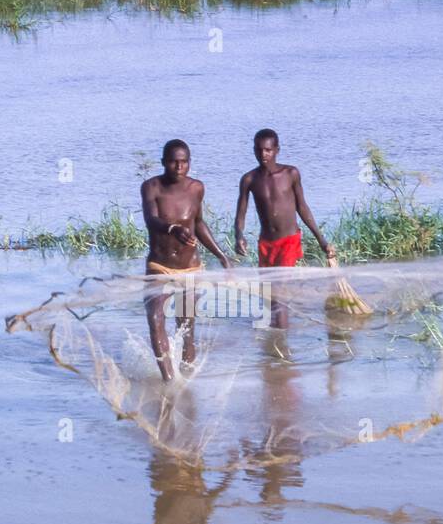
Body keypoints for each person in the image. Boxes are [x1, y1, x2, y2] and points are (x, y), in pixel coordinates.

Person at [140, 139, 232, 381]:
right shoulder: (151, 187)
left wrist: (221, 255)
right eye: (173, 162)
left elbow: (198, 223)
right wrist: (172, 228)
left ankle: (187, 380)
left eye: (183, 162)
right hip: (159, 266)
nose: (178, 167)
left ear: (189, 163)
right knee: (155, 317)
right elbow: (151, 219)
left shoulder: (196, 188)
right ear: (163, 163)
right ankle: (169, 381)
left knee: (187, 327)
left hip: (190, 267)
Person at [234, 128, 334, 328]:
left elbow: (302, 208)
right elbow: (241, 214)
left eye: (268, 150)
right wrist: (239, 236)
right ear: (254, 150)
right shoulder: (249, 180)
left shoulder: (290, 173)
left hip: (289, 240)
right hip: (266, 243)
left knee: (280, 290)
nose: (263, 154)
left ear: (277, 150)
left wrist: (322, 241)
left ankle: (282, 341)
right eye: (259, 150)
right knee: (269, 293)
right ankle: (276, 336)